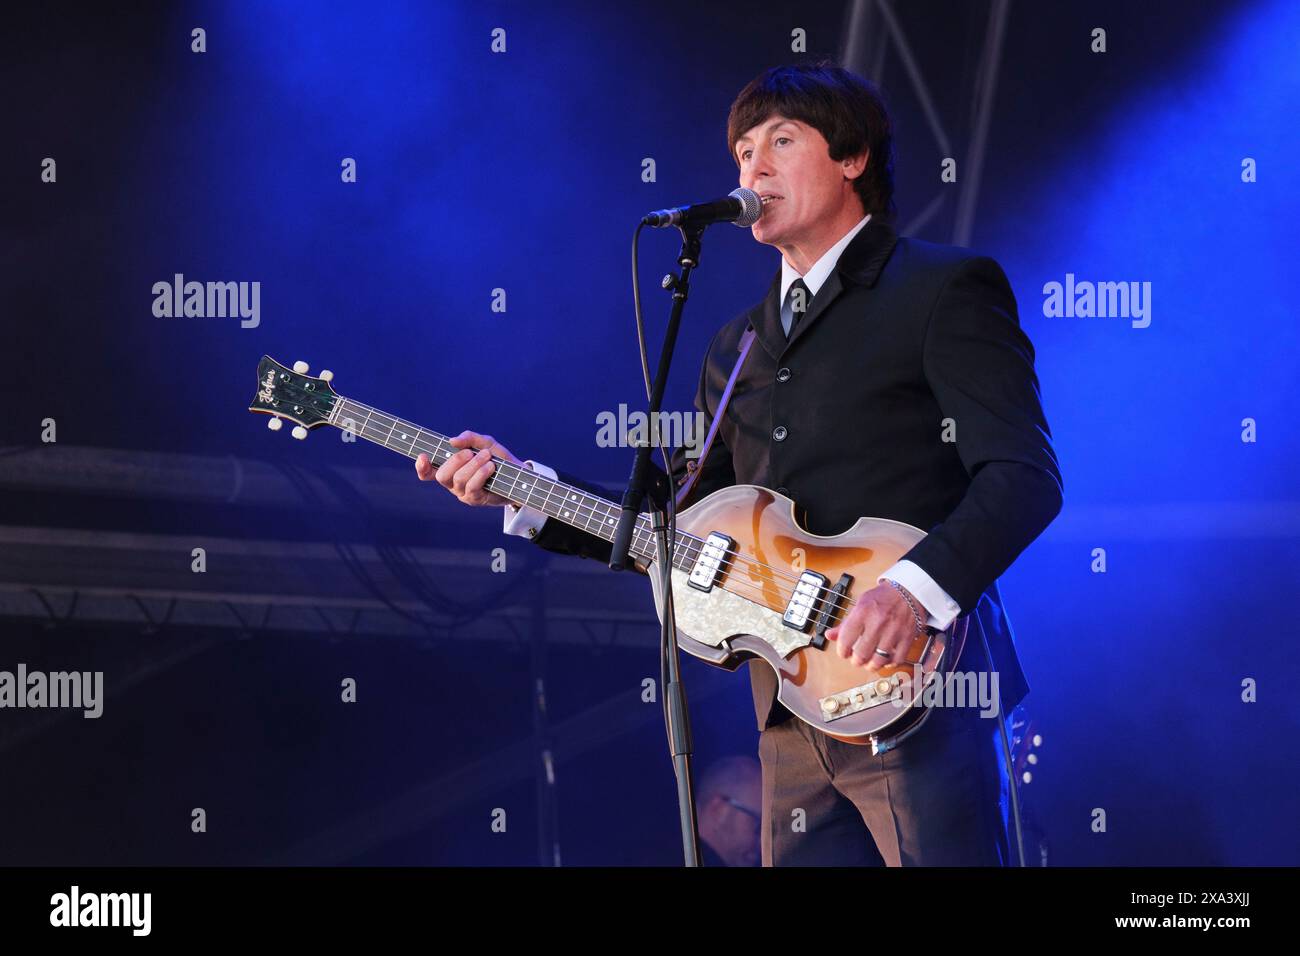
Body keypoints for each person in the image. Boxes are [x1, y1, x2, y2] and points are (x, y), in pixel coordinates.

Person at [416, 62, 1062, 866]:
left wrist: (915, 591)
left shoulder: (940, 289)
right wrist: (526, 490)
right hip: (791, 711)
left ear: (853, 156)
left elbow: (1024, 476)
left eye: (781, 141)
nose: (751, 168)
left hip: (922, 684)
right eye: (742, 150)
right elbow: (678, 527)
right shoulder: (737, 344)